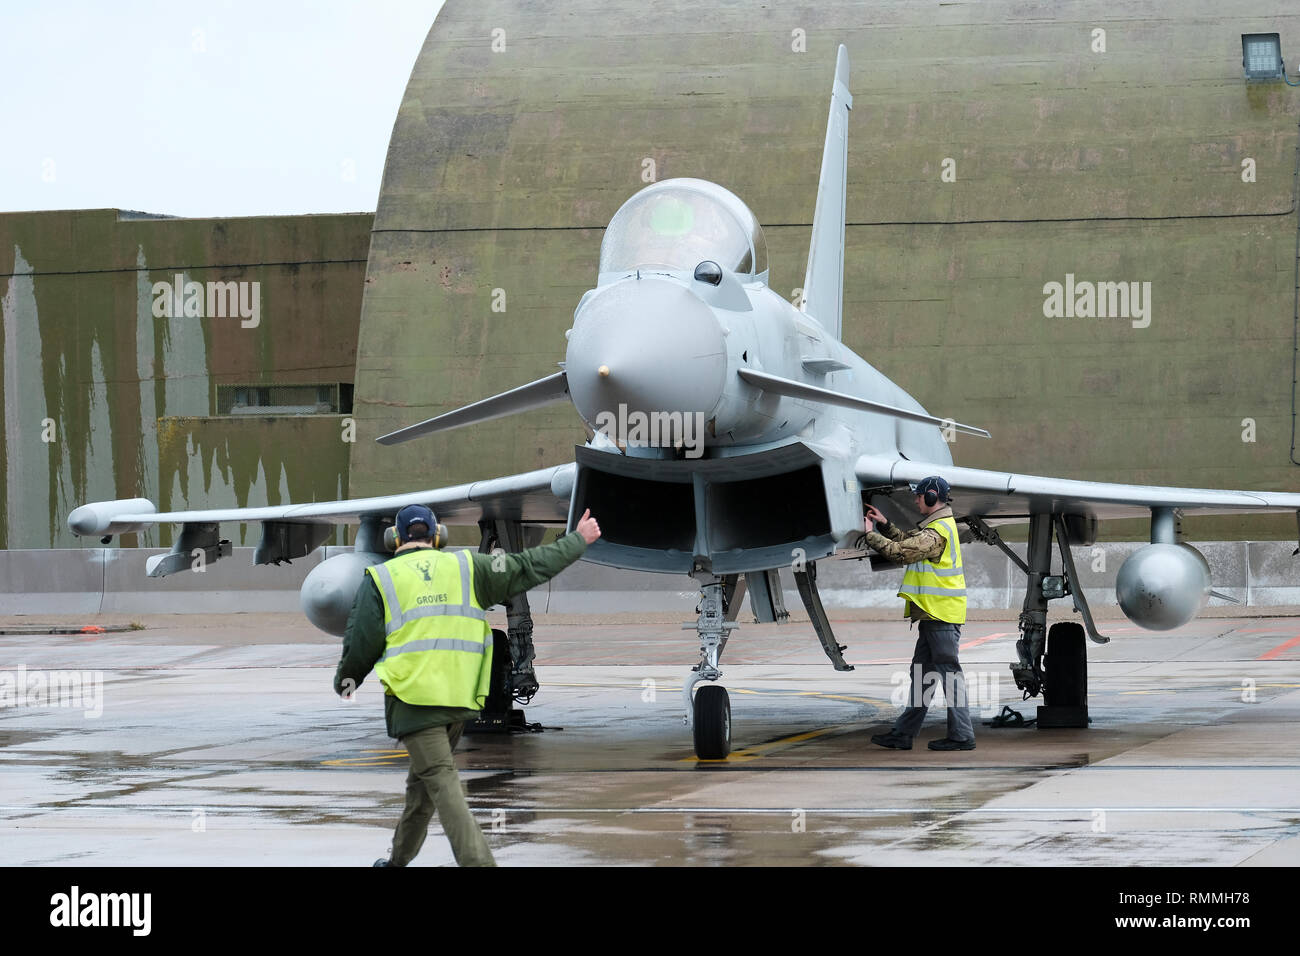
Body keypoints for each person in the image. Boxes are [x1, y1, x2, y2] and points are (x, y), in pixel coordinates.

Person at [334, 503, 602, 866]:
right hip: (459, 699)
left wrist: (346, 682)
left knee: (443, 785)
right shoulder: (467, 568)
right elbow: (528, 567)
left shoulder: (382, 578)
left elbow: (360, 642)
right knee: (422, 789)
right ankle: (396, 862)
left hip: (414, 701)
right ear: (438, 536)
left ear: (394, 538)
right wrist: (576, 541)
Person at [853, 476, 975, 752]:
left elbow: (901, 554)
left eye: (919, 496)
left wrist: (869, 533)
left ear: (931, 497)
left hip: (940, 614)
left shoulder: (938, 531)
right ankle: (904, 733)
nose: (916, 501)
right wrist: (884, 525)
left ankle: (962, 735)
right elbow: (909, 541)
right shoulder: (935, 526)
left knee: (948, 673)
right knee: (922, 674)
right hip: (932, 615)